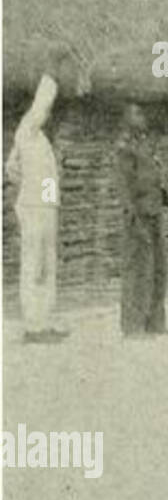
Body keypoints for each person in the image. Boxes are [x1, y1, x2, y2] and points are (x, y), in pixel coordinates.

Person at [5, 72, 69, 343]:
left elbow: (11, 170)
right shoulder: (27, 129)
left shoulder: (37, 139)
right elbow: (42, 104)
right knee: (34, 263)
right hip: (34, 206)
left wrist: (49, 201)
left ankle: (44, 319)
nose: (48, 115)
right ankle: (33, 325)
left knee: (46, 263)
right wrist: (51, 76)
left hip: (43, 206)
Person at [116, 103, 168, 336]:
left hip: (154, 212)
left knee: (158, 269)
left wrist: (164, 202)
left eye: (143, 112)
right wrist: (132, 216)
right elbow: (125, 186)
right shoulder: (125, 148)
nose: (143, 117)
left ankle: (154, 322)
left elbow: (155, 179)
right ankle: (133, 326)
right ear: (126, 118)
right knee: (137, 270)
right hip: (139, 215)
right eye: (137, 113)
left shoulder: (145, 145)